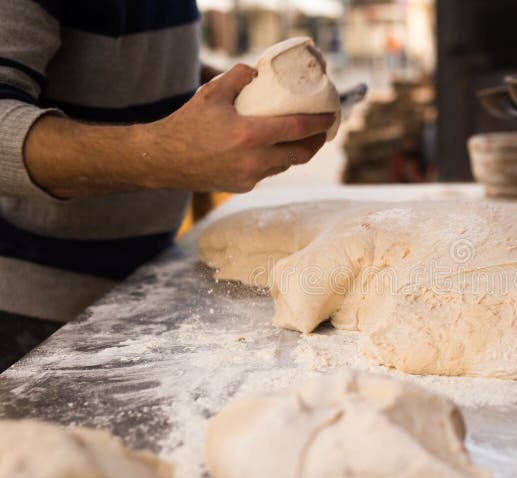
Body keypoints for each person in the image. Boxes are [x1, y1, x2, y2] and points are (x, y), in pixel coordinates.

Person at [0, 1, 334, 369]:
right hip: (33, 312)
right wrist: (166, 153)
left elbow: (128, 72)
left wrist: (240, 100)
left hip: (150, 278)